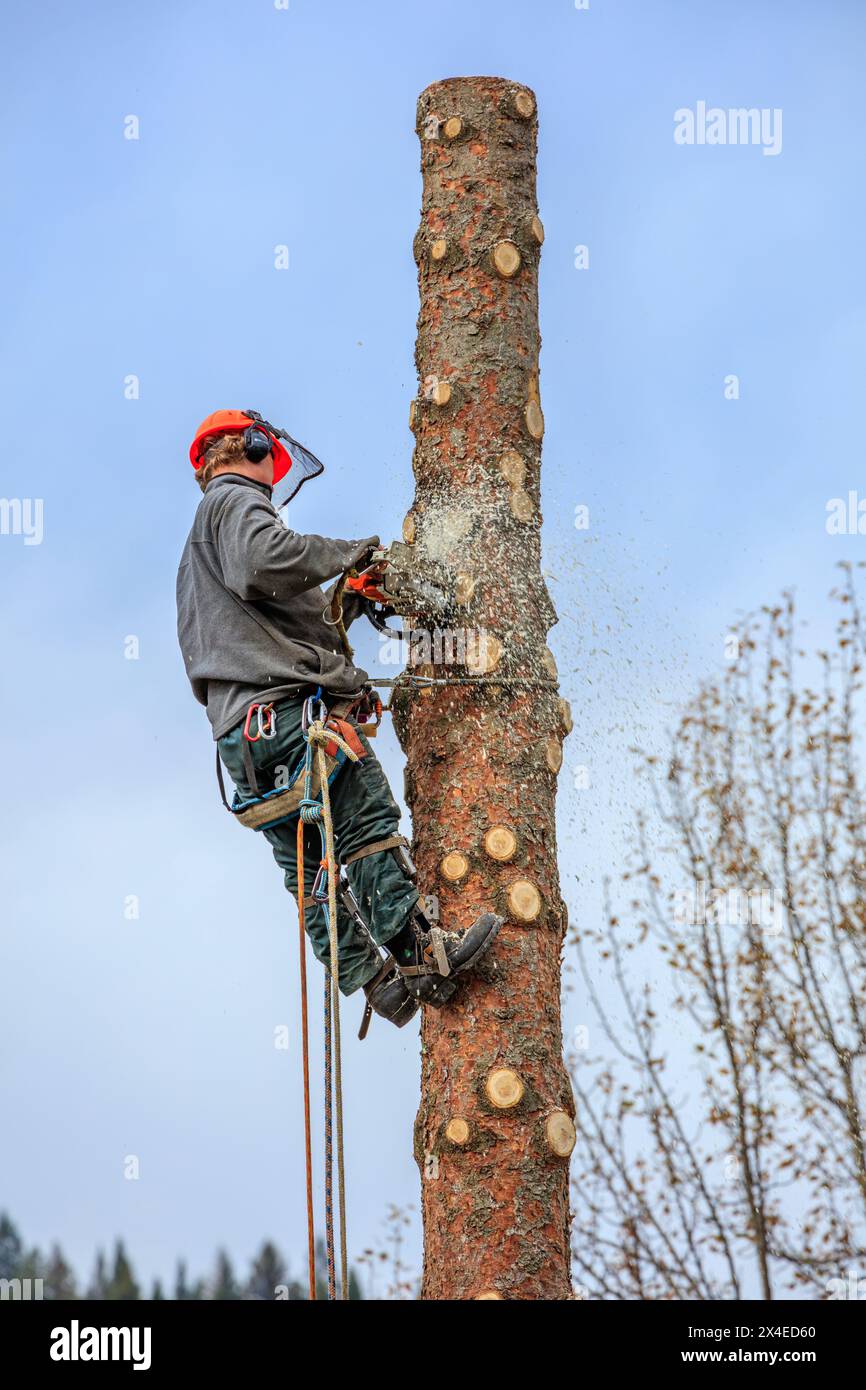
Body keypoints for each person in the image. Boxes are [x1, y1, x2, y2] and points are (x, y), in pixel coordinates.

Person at [176, 409, 501, 1030]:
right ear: (251, 446)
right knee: (365, 821)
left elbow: (269, 615)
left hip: (243, 744)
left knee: (310, 868)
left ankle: (375, 982)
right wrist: (351, 551)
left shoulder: (198, 558)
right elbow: (262, 562)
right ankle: (419, 952)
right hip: (286, 715)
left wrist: (343, 599)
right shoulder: (234, 503)